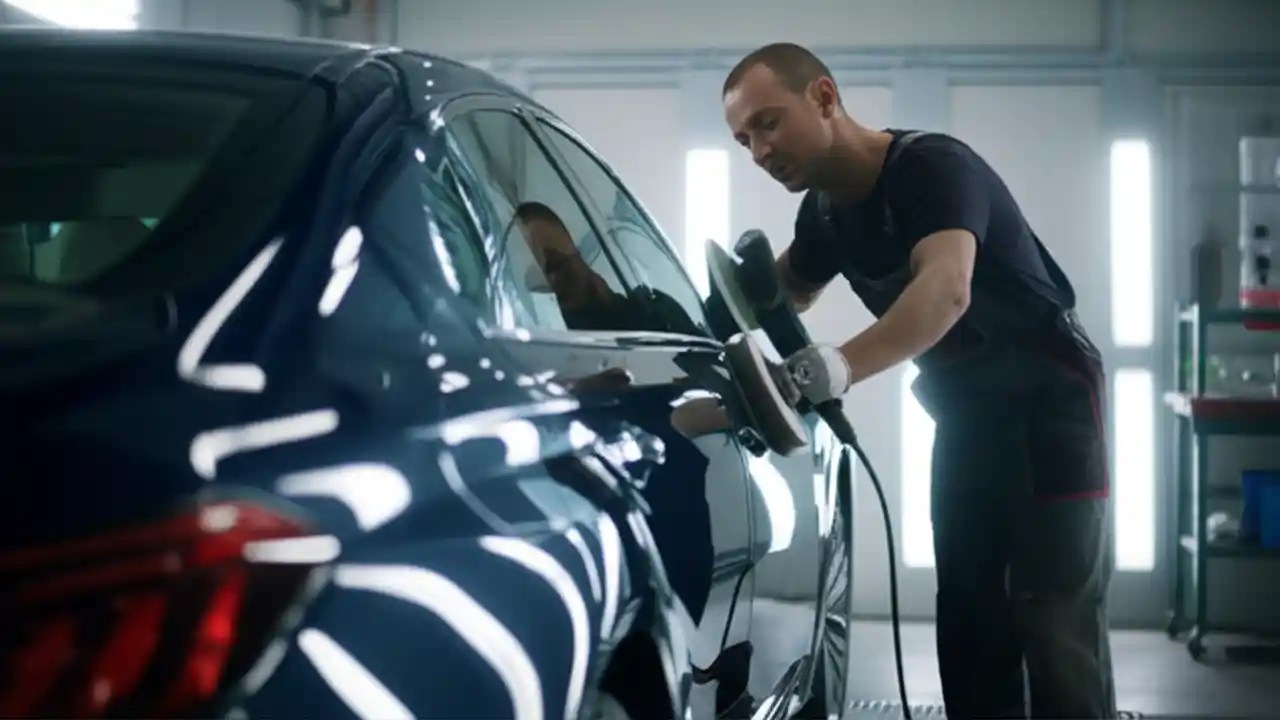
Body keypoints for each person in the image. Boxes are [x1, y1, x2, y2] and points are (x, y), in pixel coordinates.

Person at [721, 43, 1117, 719]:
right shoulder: (822, 212)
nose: (758, 151)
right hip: (965, 412)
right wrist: (683, 306)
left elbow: (947, 291)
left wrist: (838, 365)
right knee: (967, 611)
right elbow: (784, 290)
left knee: (1051, 616)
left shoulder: (932, 169)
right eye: (742, 139)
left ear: (823, 96)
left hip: (1051, 406)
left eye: (769, 122)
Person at [512, 201, 704, 336]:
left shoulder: (656, 312)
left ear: (581, 255)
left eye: (558, 262)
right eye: (543, 273)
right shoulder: (548, 340)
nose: (553, 280)